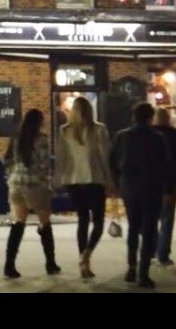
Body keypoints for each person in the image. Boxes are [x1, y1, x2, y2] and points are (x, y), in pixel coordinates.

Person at [110, 101, 171, 289]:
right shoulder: (157, 138)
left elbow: (112, 161)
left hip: (129, 187)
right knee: (150, 230)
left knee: (133, 228)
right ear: (150, 117)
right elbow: (165, 165)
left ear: (134, 116)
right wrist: (167, 188)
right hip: (151, 188)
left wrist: (116, 184)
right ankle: (143, 273)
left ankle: (131, 267)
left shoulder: (122, 136)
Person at [55, 95, 114, 279]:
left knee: (82, 219)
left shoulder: (64, 131)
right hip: (94, 180)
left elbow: (61, 158)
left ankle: (83, 261)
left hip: (73, 181)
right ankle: (86, 255)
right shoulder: (99, 130)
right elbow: (105, 157)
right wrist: (111, 181)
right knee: (98, 222)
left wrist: (58, 179)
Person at [2, 108, 61, 279]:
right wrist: (48, 182)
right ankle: (51, 263)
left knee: (18, 222)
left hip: (16, 183)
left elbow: (7, 160)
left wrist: (13, 174)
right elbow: (43, 164)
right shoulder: (41, 139)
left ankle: (9, 265)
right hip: (35, 184)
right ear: (39, 122)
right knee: (44, 222)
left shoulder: (16, 137)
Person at [153, 107, 176, 266]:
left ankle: (153, 247)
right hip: (170, 184)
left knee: (149, 218)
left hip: (150, 184)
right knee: (167, 219)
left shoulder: (149, 135)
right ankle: (163, 252)